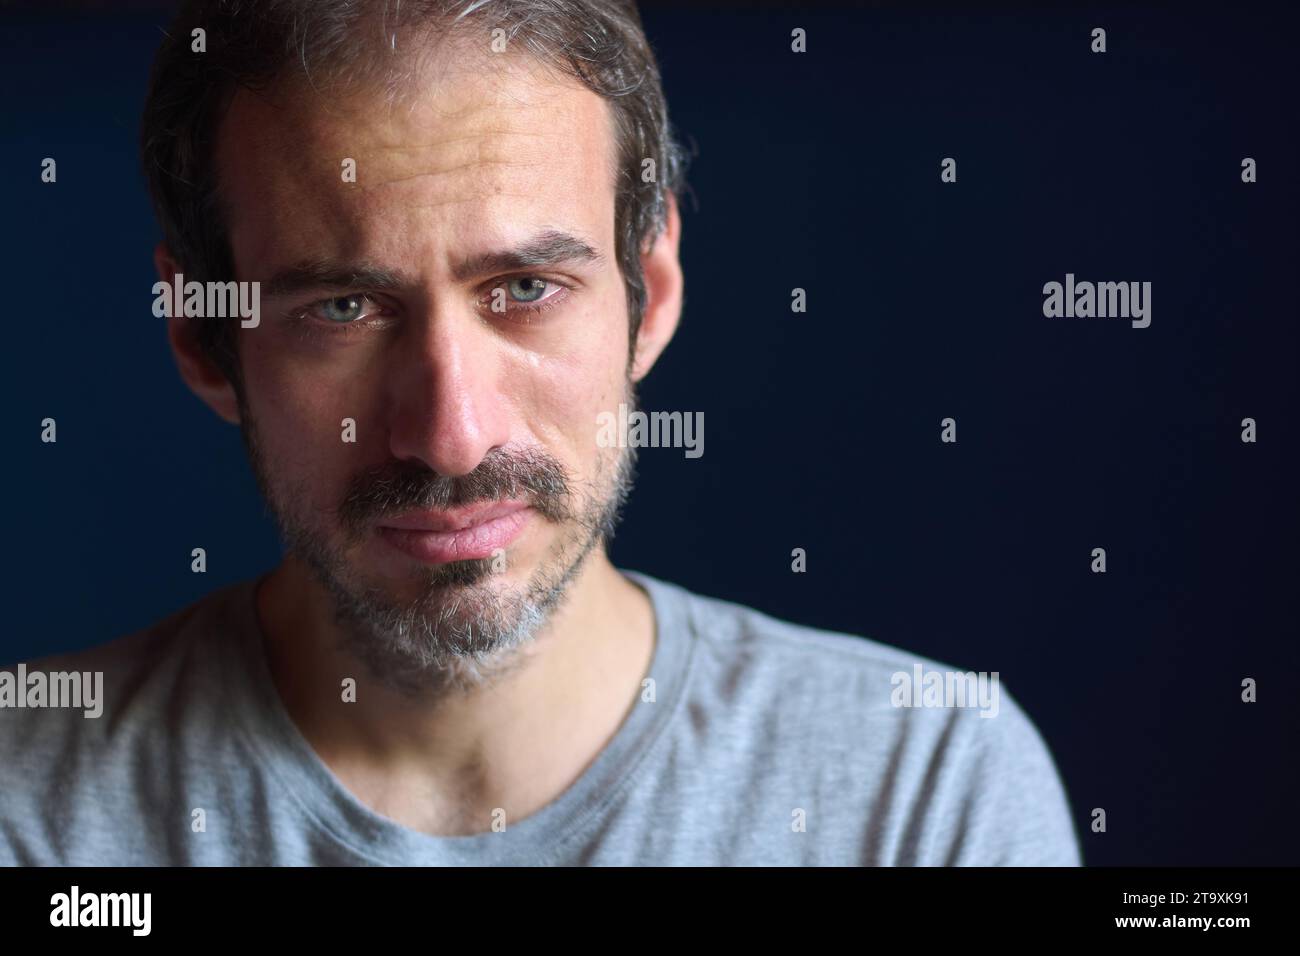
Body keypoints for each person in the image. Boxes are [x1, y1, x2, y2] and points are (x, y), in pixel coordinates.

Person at [0, 0, 1081, 866]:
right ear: (199, 335)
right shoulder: (27, 805)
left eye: (524, 286)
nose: (452, 437)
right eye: (340, 308)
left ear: (648, 294)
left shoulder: (924, 792)